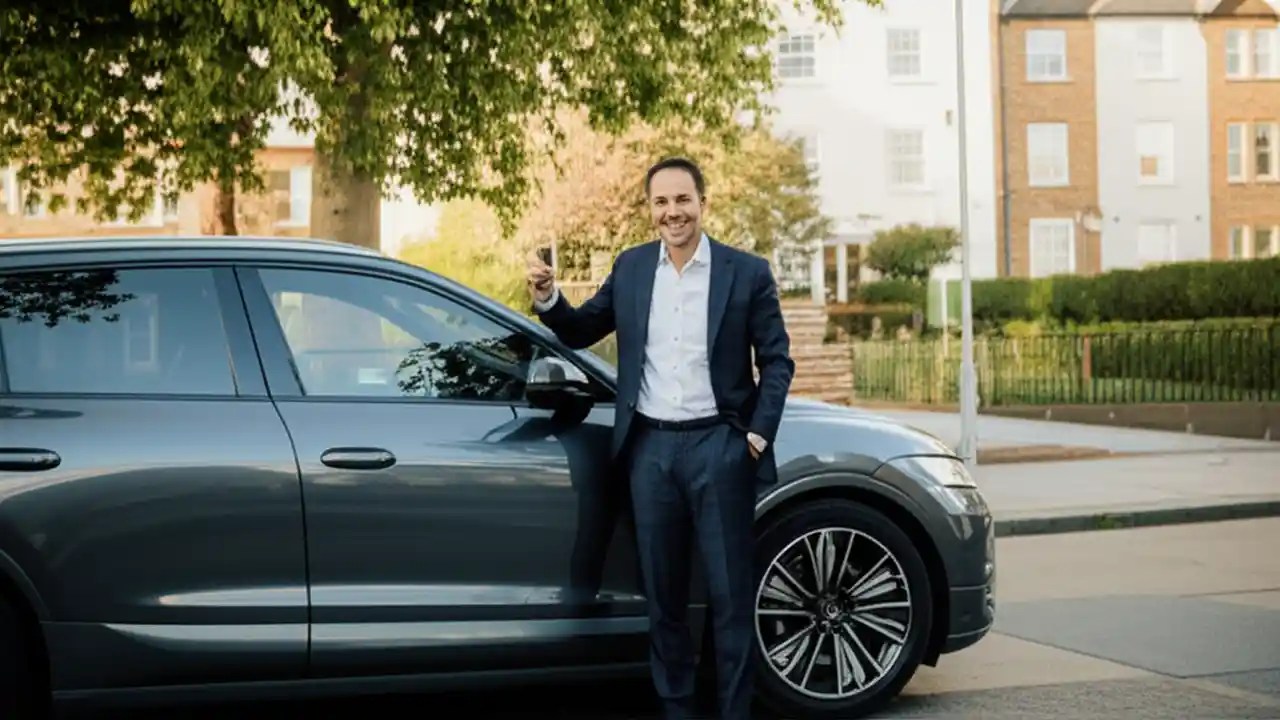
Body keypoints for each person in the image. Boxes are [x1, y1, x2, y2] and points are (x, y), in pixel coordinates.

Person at [525, 156, 795, 720]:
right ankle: (677, 710)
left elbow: (776, 362)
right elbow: (580, 329)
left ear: (703, 202)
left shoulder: (746, 273)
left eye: (682, 200)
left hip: (719, 450)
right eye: (661, 202)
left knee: (729, 601)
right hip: (649, 453)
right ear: (650, 210)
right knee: (665, 602)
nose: (673, 212)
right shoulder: (631, 268)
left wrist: (755, 439)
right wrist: (549, 299)